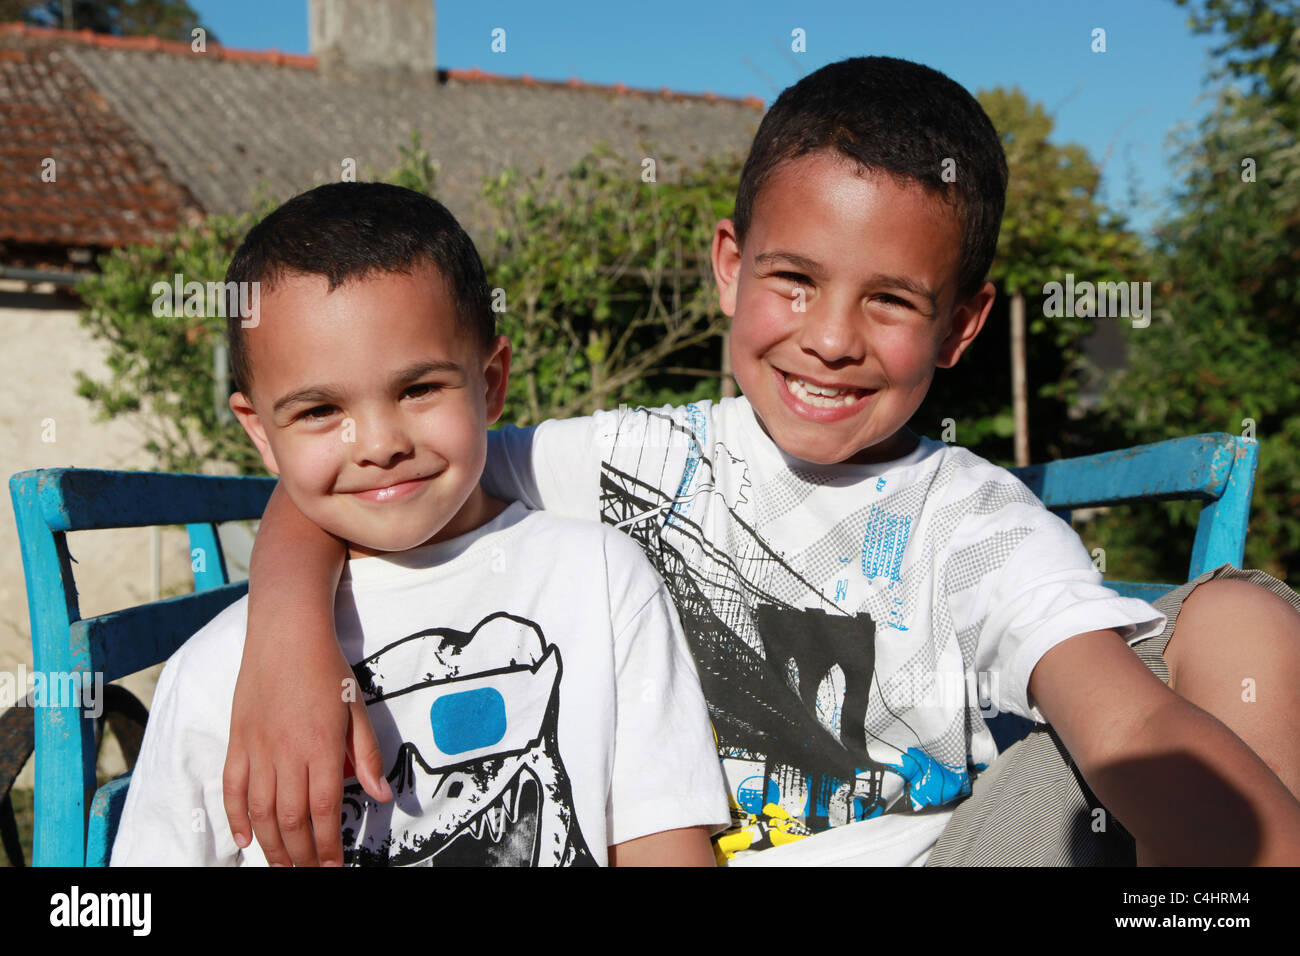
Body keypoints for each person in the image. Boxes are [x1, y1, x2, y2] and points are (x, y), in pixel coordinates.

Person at [222, 57, 1300, 867]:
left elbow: (1129, 723)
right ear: (729, 267)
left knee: (1241, 621)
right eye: (794, 279)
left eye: (889, 300)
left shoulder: (972, 521)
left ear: (962, 326)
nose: (830, 337)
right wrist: (286, 640)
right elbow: (373, 483)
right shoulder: (631, 460)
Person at [110, 182, 730, 866]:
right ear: (260, 432)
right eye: (319, 411)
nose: (378, 443)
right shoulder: (214, 676)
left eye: (419, 389)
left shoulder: (604, 582)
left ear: (491, 384)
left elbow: (661, 841)